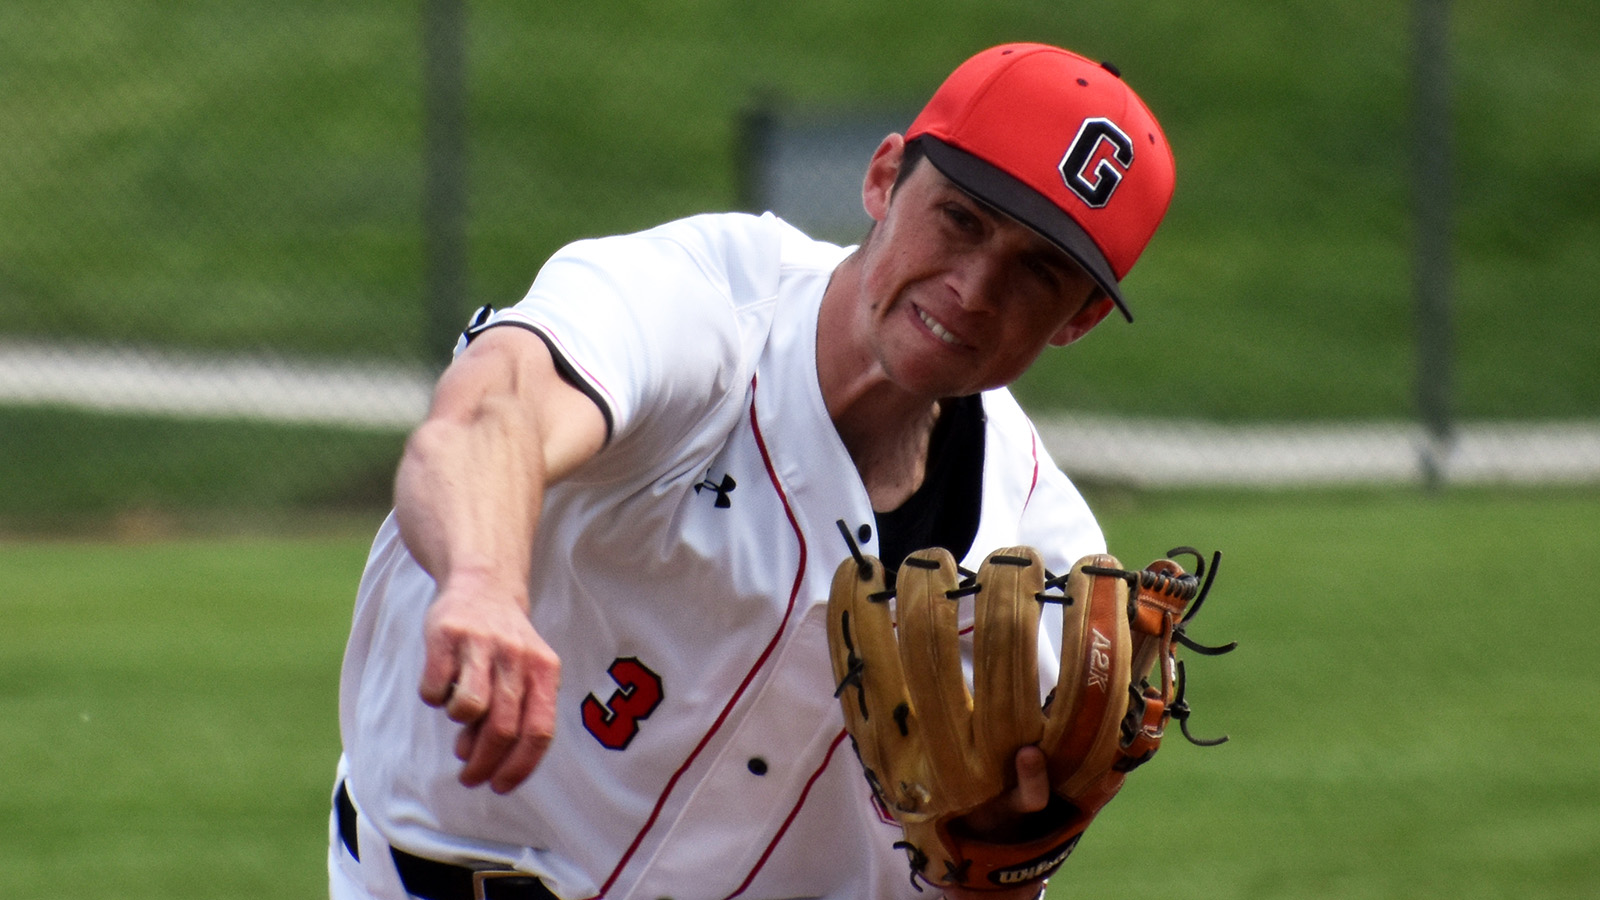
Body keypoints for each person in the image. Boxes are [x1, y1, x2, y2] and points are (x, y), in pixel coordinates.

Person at [328, 41, 1176, 900]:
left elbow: (970, 883)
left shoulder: (1051, 580)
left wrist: (997, 862)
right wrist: (481, 584)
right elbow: (491, 412)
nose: (975, 287)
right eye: (962, 218)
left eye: (1039, 270)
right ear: (884, 179)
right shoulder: (700, 306)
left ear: (1083, 317)